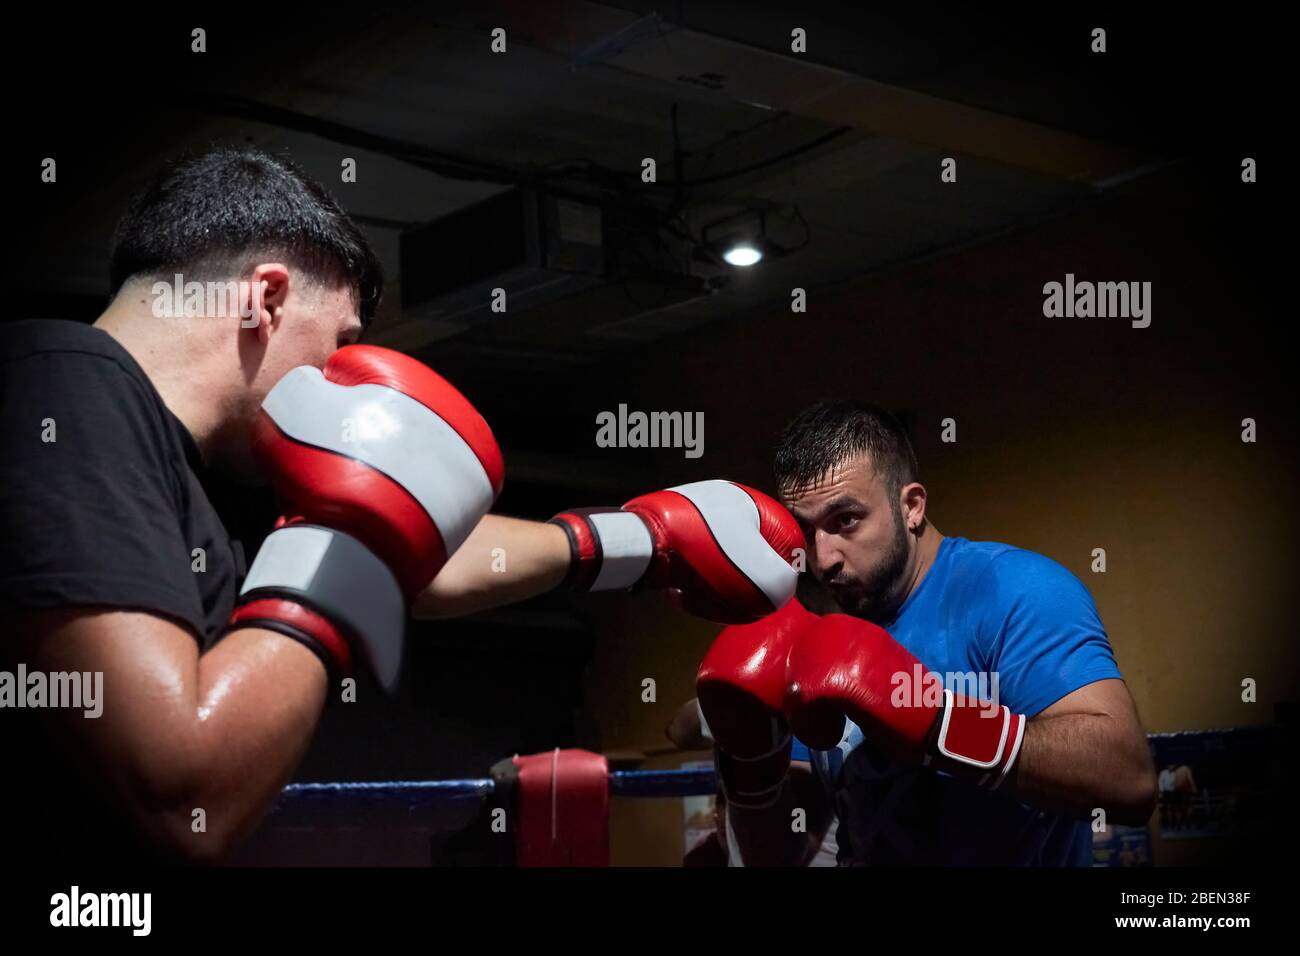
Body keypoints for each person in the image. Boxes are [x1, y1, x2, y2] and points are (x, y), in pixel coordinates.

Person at [0, 147, 800, 865]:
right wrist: (344, 537)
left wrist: (639, 539)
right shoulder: (65, 391)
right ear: (267, 298)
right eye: (340, 338)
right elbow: (182, 798)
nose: (341, 369)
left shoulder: (180, 464)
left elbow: (412, 562)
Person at [696, 400, 1156, 865]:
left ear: (912, 506)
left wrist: (941, 723)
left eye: (845, 520)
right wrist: (751, 769)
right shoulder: (808, 635)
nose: (823, 557)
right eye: (805, 530)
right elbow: (779, 854)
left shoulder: (1012, 590)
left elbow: (1128, 782)